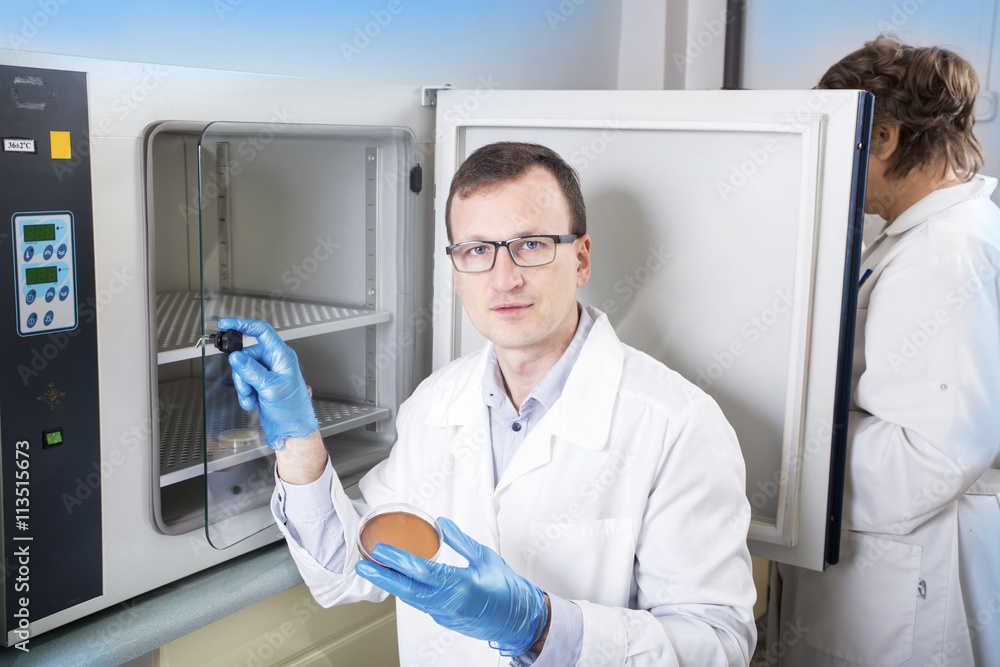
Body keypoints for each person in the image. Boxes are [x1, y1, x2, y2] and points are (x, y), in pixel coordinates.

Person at [220, 142, 756, 665]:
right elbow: (350, 568)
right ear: (457, 272)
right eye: (477, 250)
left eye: (531, 244)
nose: (505, 278)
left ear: (582, 259)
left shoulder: (680, 424)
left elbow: (719, 645)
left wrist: (540, 627)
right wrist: (297, 440)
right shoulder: (434, 406)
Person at [770, 37, 1000, 666]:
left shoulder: (946, 253)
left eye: (836, 138)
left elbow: (933, 453)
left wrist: (784, 452)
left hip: (908, 581)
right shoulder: (917, 238)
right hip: (877, 566)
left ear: (885, 137)